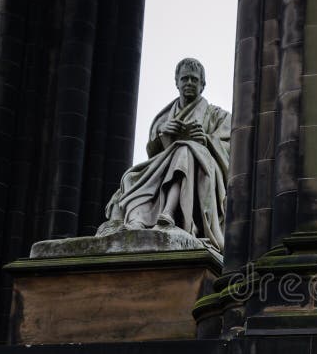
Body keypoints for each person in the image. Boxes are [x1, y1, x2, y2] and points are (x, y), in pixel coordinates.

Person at [97, 58, 231, 252]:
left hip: (200, 168)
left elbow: (232, 145)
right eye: (185, 79)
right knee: (130, 176)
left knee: (184, 150)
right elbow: (154, 154)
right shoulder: (163, 117)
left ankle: (168, 213)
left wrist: (207, 140)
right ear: (177, 82)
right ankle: (137, 220)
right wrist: (162, 135)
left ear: (203, 85)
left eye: (194, 80)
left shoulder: (217, 115)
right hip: (165, 163)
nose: (189, 83)